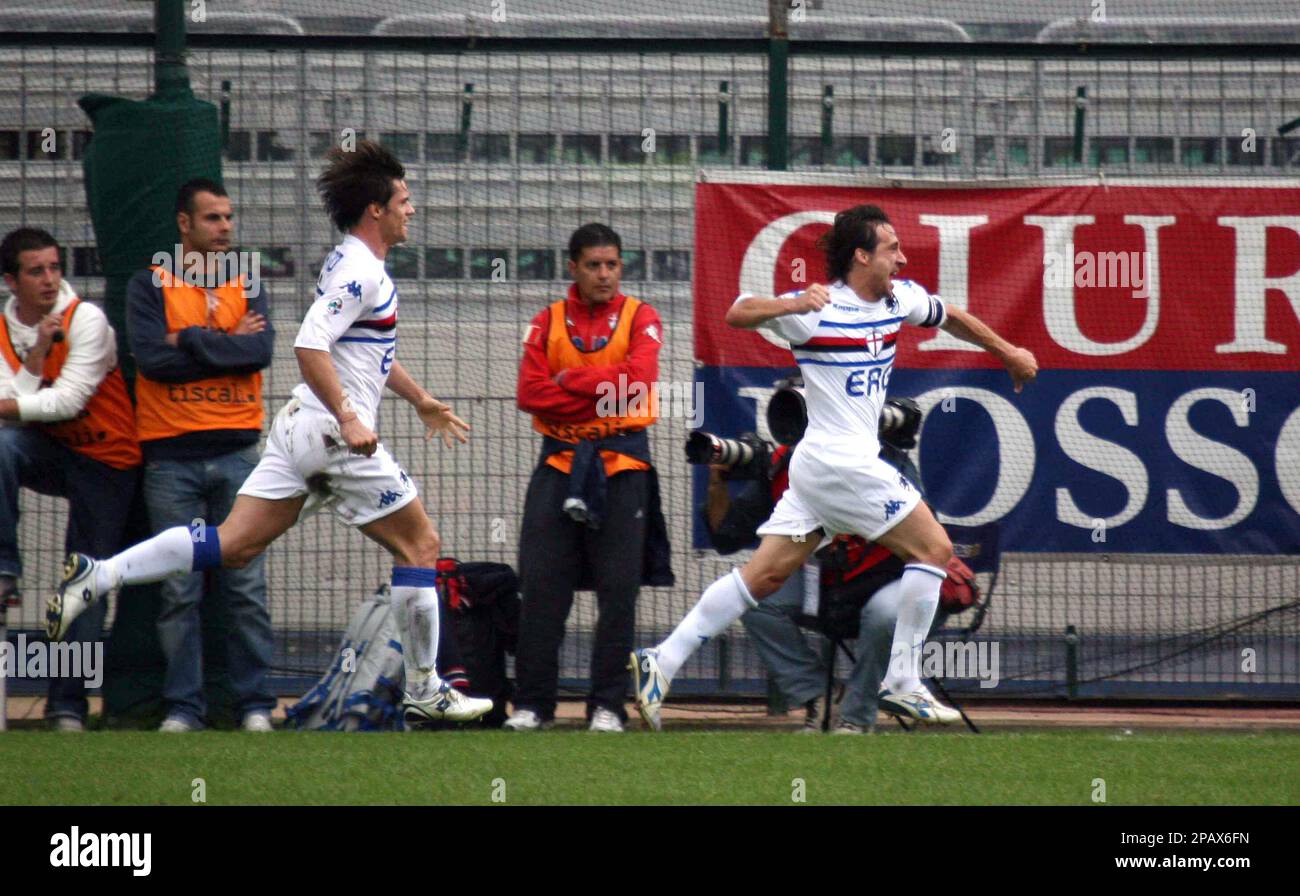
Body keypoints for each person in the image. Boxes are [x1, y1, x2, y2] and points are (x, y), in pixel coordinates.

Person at [47, 140, 492, 726]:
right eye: (405, 201)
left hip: (300, 428)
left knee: (234, 545)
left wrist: (420, 399)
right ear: (376, 211)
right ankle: (424, 686)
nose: (413, 210)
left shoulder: (350, 261)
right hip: (333, 435)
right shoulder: (362, 273)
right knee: (422, 547)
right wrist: (352, 417)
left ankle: (99, 574)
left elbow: (365, 349)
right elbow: (310, 344)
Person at [631, 204, 1037, 729]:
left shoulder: (899, 298)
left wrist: (1007, 352)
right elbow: (737, 312)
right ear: (861, 255)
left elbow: (951, 316)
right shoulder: (818, 309)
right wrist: (793, 301)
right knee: (935, 549)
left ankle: (661, 660)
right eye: (891, 248)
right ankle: (902, 681)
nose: (902, 256)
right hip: (841, 464)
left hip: (820, 469)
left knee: (766, 574)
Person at [122, 178, 276, 732]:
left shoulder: (246, 279)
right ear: (184, 225)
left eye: (228, 217)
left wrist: (185, 339)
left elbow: (260, 351)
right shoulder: (149, 285)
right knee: (178, 591)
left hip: (238, 452)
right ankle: (184, 708)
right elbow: (151, 363)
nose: (225, 228)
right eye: (212, 218)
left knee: (246, 589)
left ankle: (255, 704)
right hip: (171, 459)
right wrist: (224, 342)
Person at [508, 223, 672, 732]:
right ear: (573, 267)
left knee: (618, 591)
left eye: (613, 265)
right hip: (559, 466)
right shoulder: (546, 322)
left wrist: (570, 381)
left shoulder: (642, 317)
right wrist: (604, 389)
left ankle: (607, 706)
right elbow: (530, 394)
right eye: (594, 265)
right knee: (541, 588)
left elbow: (639, 382)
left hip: (623, 469)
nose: (605, 274)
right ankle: (533, 705)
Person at [703, 390, 928, 735]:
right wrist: (718, 481)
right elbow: (726, 537)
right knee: (753, 599)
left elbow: (920, 538)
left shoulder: (882, 457)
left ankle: (856, 715)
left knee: (883, 615)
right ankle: (817, 696)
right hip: (831, 580)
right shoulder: (785, 463)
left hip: (889, 575)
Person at [0, 227, 141, 731]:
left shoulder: (88, 320)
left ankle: (67, 706)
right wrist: (36, 353)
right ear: (11, 281)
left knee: (81, 584)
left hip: (107, 457)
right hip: (53, 452)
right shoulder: (3, 330)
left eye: (55, 267)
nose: (49, 279)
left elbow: (67, 401)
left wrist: (10, 402)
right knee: (0, 447)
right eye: (35, 271)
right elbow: (15, 417)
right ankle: (4, 567)